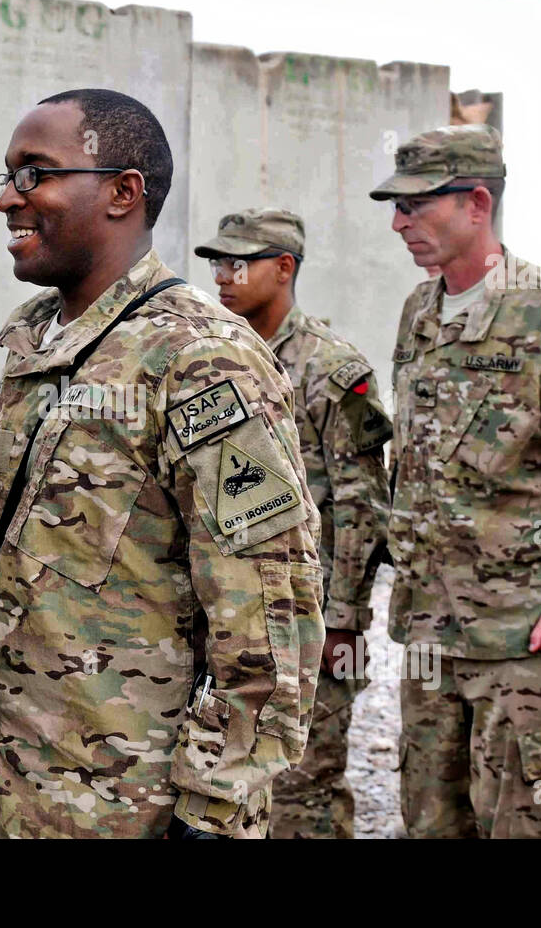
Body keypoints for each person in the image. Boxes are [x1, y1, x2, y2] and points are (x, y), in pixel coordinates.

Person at [0, 88, 325, 839]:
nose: (8, 199)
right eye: (5, 176)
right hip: (5, 789)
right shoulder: (38, 341)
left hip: (128, 808)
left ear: (124, 192)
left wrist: (217, 810)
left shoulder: (199, 357)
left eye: (34, 173)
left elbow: (268, 611)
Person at [370, 124, 541, 838]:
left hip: (525, 643)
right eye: (395, 207)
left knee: (528, 825)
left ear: (477, 202)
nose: (399, 224)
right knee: (428, 822)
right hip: (429, 640)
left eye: (416, 205)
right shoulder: (419, 313)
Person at [195, 207, 391, 838]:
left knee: (304, 792)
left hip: (311, 619)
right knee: (225, 789)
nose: (223, 276)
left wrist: (346, 622)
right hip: (230, 616)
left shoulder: (331, 370)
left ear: (284, 269)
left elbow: (363, 504)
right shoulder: (215, 358)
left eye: (239, 262)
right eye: (217, 263)